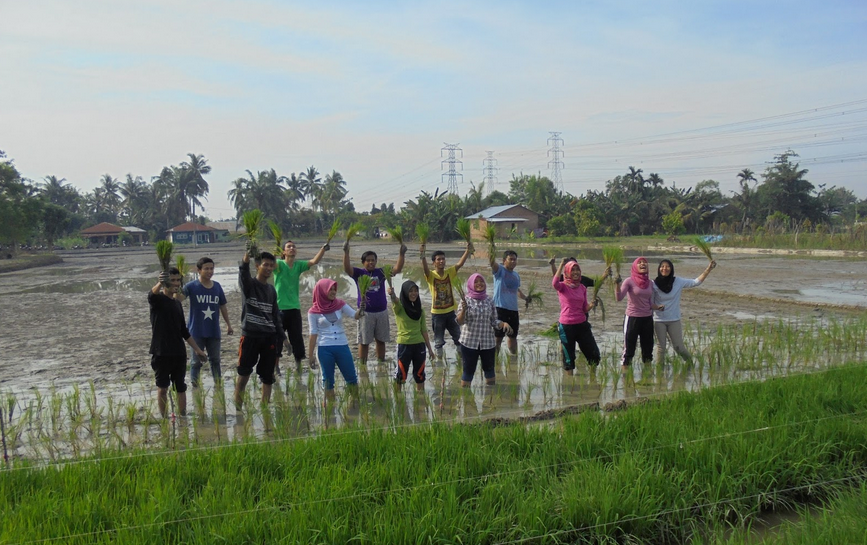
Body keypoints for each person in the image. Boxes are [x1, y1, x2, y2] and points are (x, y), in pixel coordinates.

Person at [148, 268, 207, 418]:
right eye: (172, 280)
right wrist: (159, 283)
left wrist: (198, 350)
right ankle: (163, 418)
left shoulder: (177, 303)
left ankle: (183, 418)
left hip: (179, 352)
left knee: (181, 387)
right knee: (162, 387)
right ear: (165, 282)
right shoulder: (158, 300)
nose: (175, 283)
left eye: (178, 280)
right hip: (161, 352)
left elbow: (184, 331)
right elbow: (151, 296)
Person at [235, 249, 287, 409]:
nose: (269, 268)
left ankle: (265, 410)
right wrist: (246, 256)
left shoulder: (271, 290)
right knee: (244, 373)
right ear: (257, 265)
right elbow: (243, 274)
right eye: (265, 265)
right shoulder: (249, 285)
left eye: (272, 265)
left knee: (268, 376)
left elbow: (275, 317)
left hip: (269, 338)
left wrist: (284, 339)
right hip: (250, 336)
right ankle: (238, 409)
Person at [342, 241, 406, 365]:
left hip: (381, 311)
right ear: (363, 262)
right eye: (368, 260)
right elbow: (347, 269)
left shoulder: (381, 272)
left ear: (376, 261)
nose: (371, 262)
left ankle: (381, 362)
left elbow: (397, 269)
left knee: (381, 340)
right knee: (364, 341)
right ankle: (362, 364)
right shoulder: (359, 273)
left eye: (373, 260)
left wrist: (401, 254)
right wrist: (346, 252)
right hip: (366, 313)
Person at [176, 257, 233, 387]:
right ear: (199, 270)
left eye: (211, 268)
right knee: (196, 362)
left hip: (213, 330)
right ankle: (195, 386)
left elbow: (223, 306)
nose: (209, 271)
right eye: (206, 268)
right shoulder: (192, 286)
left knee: (215, 360)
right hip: (196, 331)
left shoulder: (217, 286)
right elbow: (178, 299)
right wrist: (177, 286)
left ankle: (218, 384)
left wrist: (228, 325)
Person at [274, 240, 328, 373]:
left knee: (296, 338)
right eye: (289, 247)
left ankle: (298, 366)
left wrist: (323, 249)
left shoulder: (298, 265)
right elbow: (266, 263)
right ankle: (275, 367)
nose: (292, 248)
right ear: (283, 252)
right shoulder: (279, 265)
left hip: (294, 308)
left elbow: (314, 261)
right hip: (279, 308)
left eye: (293, 246)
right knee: (277, 340)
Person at [652, 259, 716, 365]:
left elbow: (696, 282)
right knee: (661, 348)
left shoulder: (678, 281)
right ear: (659, 269)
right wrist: (657, 307)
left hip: (674, 320)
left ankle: (690, 364)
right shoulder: (653, 284)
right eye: (662, 266)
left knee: (678, 347)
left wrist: (708, 269)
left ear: (671, 268)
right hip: (659, 321)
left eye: (667, 266)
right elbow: (646, 298)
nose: (665, 268)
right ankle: (660, 374)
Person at [456, 273, 512, 387]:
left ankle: (490, 399)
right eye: (475, 282)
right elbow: (460, 321)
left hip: (487, 343)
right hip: (469, 343)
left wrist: (503, 323)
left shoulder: (489, 300)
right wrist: (463, 311)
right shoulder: (466, 300)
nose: (479, 284)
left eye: (481, 281)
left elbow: (493, 321)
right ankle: (466, 400)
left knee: (490, 373)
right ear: (471, 284)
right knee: (468, 372)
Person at [307, 278, 364, 391]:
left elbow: (355, 315)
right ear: (322, 291)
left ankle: (354, 406)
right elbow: (313, 334)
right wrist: (310, 355)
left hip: (342, 346)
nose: (333, 292)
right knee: (328, 382)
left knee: (352, 380)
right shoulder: (313, 312)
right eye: (330, 289)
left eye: (334, 289)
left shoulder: (340, 304)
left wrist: (362, 309)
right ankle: (330, 408)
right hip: (324, 348)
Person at [421, 242, 473, 359]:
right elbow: (425, 269)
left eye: (443, 259)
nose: (441, 261)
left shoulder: (449, 273)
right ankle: (439, 364)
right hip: (437, 314)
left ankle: (462, 360)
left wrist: (467, 251)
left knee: (458, 338)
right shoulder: (431, 276)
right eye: (438, 259)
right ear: (434, 262)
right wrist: (422, 255)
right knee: (438, 341)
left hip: (450, 312)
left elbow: (459, 264)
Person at [552, 259, 600, 374]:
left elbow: (584, 308)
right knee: (569, 360)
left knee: (593, 355)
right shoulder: (562, 287)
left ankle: (593, 381)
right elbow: (554, 283)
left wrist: (592, 305)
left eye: (577, 269)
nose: (575, 272)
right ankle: (570, 387)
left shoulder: (582, 287)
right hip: (567, 326)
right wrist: (560, 265)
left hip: (582, 325)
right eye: (572, 270)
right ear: (567, 272)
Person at [615, 257, 662, 369]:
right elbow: (619, 298)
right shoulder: (629, 281)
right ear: (635, 266)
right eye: (640, 262)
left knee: (648, 348)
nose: (643, 264)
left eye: (644, 262)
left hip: (647, 318)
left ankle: (647, 375)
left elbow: (649, 302)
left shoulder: (650, 283)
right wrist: (616, 284)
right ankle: (625, 377)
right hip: (632, 318)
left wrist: (658, 307)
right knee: (629, 349)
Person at [387, 281, 435, 391]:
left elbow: (424, 330)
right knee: (401, 374)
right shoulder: (399, 308)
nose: (414, 293)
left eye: (416, 291)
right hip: (404, 345)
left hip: (419, 346)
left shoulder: (420, 310)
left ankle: (420, 401)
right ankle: (398, 400)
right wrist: (392, 294)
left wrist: (430, 350)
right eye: (410, 291)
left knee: (420, 375)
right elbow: (395, 301)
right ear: (404, 292)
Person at [490, 250, 526, 355]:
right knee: (498, 337)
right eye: (510, 259)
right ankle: (495, 361)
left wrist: (525, 298)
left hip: (513, 310)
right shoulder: (500, 271)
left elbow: (517, 290)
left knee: (513, 336)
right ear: (504, 260)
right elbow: (492, 263)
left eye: (515, 259)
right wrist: (491, 249)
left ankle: (514, 360)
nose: (513, 262)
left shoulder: (516, 275)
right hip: (500, 309)